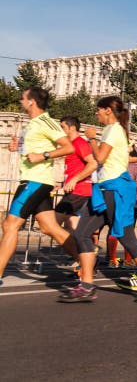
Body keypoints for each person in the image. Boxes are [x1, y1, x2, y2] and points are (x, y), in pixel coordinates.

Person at [60, 96, 137, 302]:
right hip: (103, 188)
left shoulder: (114, 129)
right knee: (82, 233)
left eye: (98, 110)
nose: (96, 113)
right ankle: (87, 285)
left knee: (126, 237)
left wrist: (91, 138)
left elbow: (99, 158)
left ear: (108, 110)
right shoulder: (116, 131)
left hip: (116, 189)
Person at [0, 87, 79, 287]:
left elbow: (68, 146)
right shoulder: (32, 124)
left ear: (31, 101)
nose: (20, 101)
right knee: (49, 227)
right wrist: (16, 147)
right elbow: (30, 150)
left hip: (35, 181)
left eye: (22, 98)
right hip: (34, 179)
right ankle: (86, 260)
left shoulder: (46, 122)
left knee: (10, 225)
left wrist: (43, 156)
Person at [54, 116, 97, 233]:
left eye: (62, 127)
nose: (60, 130)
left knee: (52, 224)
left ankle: (86, 248)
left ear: (72, 128)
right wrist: (63, 183)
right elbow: (75, 167)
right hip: (75, 191)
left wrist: (74, 180)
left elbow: (93, 164)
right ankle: (83, 249)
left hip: (79, 191)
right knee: (70, 227)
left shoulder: (79, 143)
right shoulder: (71, 144)